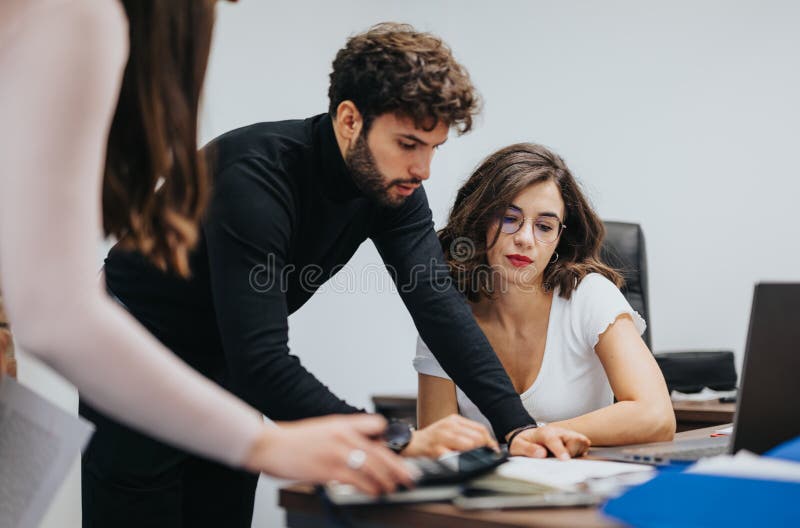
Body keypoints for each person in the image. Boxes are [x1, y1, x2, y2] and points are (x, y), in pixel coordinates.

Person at [94, 22, 583, 527]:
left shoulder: (394, 188)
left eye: (433, 148)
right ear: (350, 119)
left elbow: (439, 306)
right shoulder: (255, 181)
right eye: (409, 143)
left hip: (225, 354)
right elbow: (262, 362)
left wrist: (517, 427)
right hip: (136, 347)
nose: (424, 170)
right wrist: (396, 439)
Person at [0, 1, 413, 524]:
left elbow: (49, 308)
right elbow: (56, 313)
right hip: (139, 347)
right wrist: (269, 444)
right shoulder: (83, 19)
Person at [415, 143, 676, 452]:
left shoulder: (589, 296)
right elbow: (436, 445)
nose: (526, 239)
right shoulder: (447, 313)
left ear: (559, 238)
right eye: (510, 219)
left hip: (584, 484)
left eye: (544, 226)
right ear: (481, 220)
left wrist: (534, 435)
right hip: (494, 495)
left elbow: (656, 416)